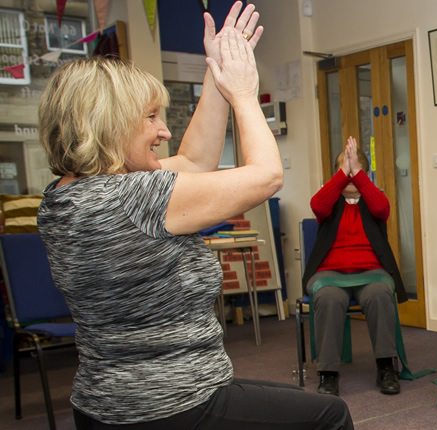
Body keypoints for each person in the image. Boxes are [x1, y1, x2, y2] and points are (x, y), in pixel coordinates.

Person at [36, 3, 353, 428]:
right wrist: (243, 94)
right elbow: (266, 176)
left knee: (292, 401)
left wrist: (216, 71)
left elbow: (193, 159)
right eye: (150, 118)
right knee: (328, 416)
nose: (163, 130)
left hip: (104, 404)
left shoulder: (61, 199)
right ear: (107, 126)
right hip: (174, 405)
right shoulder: (136, 195)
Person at [302, 136, 407, 397]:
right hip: (329, 274)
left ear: (363, 172)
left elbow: (383, 208)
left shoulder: (373, 200)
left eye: (355, 169)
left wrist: (358, 174)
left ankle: (386, 367)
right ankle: (328, 374)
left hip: (372, 273)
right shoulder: (329, 203)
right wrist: (343, 173)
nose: (350, 175)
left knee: (380, 294)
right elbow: (316, 204)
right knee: (328, 299)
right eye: (345, 169)